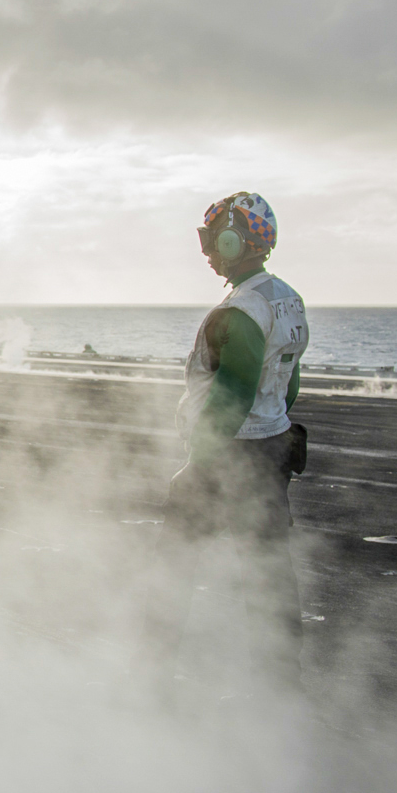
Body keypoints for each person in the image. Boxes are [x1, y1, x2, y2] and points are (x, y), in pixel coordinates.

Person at [141, 192, 310, 684]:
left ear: (236, 241)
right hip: (272, 448)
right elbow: (289, 382)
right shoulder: (288, 300)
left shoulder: (239, 311)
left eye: (212, 239)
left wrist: (202, 461)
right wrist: (270, 428)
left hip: (229, 456)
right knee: (269, 570)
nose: (207, 251)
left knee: (175, 564)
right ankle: (283, 683)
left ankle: (152, 670)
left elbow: (233, 395)